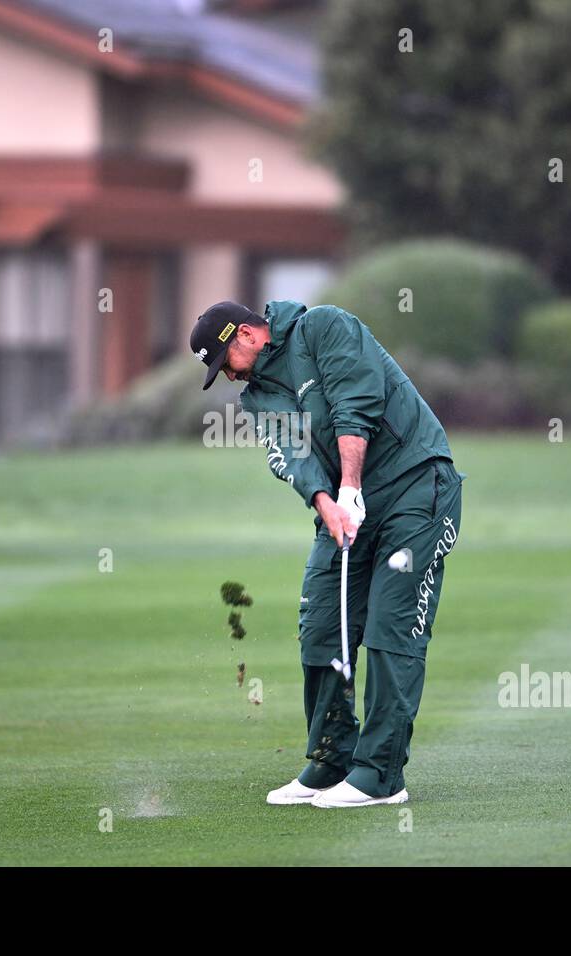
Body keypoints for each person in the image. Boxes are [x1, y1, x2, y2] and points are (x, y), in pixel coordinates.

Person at [189, 300, 465, 808]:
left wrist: (352, 485)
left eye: (224, 360)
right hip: (344, 506)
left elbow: (356, 399)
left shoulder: (324, 327)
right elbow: (289, 453)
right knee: (320, 623)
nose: (226, 375)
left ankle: (381, 776)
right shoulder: (257, 397)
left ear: (247, 334)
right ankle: (331, 758)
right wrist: (327, 501)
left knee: (389, 628)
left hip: (416, 485)